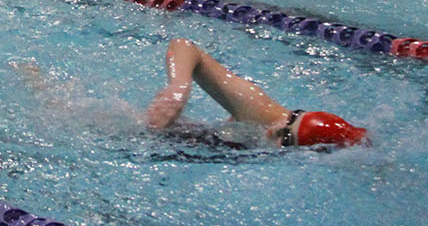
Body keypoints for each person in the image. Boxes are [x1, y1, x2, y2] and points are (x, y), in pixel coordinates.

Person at [144, 39, 368, 148]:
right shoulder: (263, 113)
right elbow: (184, 46)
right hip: (148, 133)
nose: (275, 129)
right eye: (291, 118)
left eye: (286, 138)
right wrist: (178, 88)